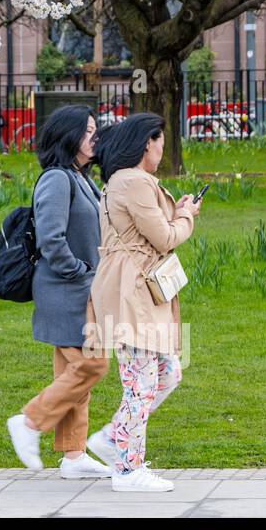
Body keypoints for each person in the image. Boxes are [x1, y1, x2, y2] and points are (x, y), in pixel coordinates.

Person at [83, 112, 201, 493]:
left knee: (168, 372)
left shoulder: (129, 181)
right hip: (131, 292)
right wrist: (186, 215)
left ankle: (111, 437)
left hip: (136, 290)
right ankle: (128, 471)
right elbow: (165, 237)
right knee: (141, 382)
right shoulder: (133, 182)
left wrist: (178, 211)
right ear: (145, 143)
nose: (163, 148)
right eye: (160, 141)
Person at [6, 106, 110, 479]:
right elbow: (52, 239)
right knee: (92, 364)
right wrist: (80, 271)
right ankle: (29, 421)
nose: (94, 139)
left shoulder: (80, 176)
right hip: (65, 291)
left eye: (96, 131)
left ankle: (73, 455)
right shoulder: (56, 179)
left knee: (72, 372)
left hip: (81, 290)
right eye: (88, 132)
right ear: (68, 137)